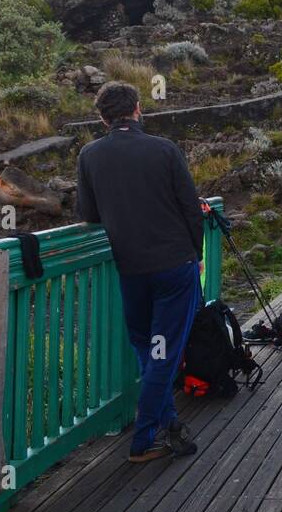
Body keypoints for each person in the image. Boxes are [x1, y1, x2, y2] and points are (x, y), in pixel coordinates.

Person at [75, 81, 201, 463]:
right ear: (138, 109)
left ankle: (170, 423)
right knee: (163, 353)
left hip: (131, 269)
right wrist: (196, 254)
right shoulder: (164, 150)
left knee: (147, 346)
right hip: (174, 267)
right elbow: (191, 209)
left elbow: (89, 215)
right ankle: (144, 439)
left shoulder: (89, 155)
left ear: (102, 118)